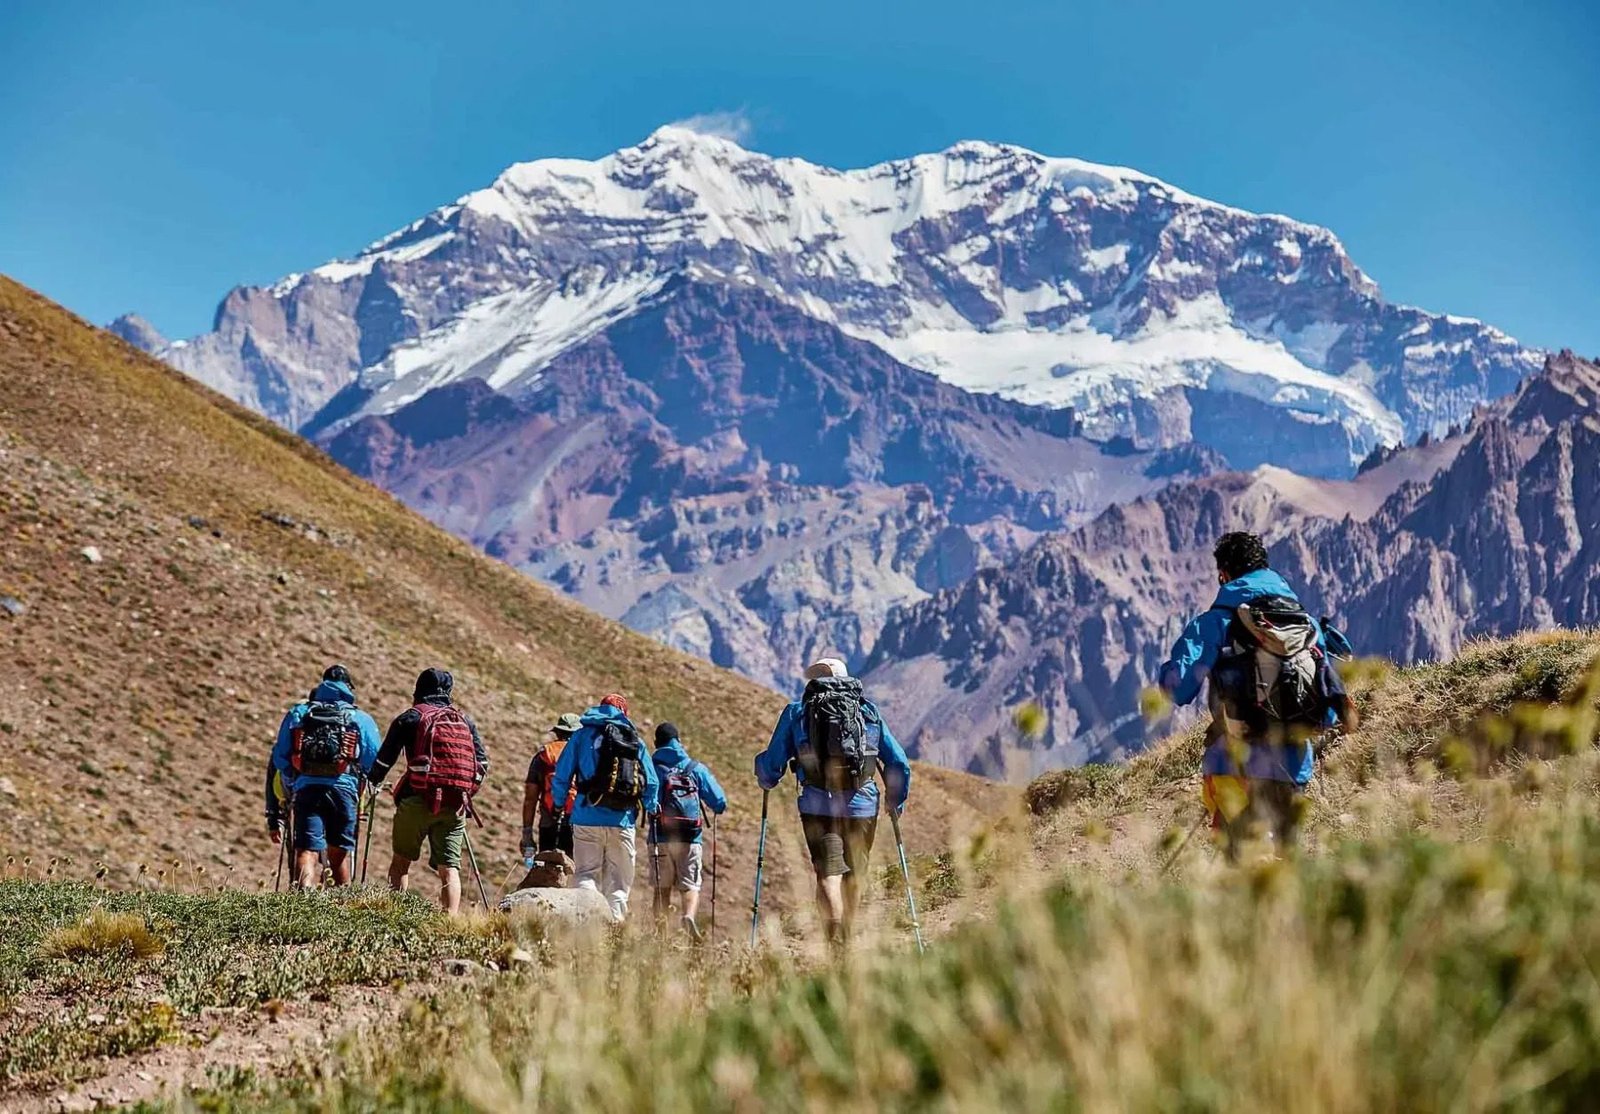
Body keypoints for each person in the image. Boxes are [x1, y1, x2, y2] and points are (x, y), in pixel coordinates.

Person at [1158, 531, 1356, 855]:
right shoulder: (1305, 624)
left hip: (1233, 765)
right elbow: (1329, 707)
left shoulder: (1215, 623)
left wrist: (1167, 671)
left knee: (1241, 868)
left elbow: (1178, 689)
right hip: (1294, 768)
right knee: (1287, 867)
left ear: (1224, 574)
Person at [754, 658, 911, 947]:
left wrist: (764, 774)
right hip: (862, 805)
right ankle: (848, 936)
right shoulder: (868, 712)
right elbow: (898, 762)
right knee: (855, 873)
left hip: (817, 806)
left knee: (828, 873)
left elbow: (772, 762)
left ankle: (834, 943)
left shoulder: (797, 713)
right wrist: (895, 801)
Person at [368, 668, 488, 914]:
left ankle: (395, 914)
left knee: (401, 863)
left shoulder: (410, 718)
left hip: (416, 798)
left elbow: (384, 760)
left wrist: (372, 783)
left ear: (418, 689)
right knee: (449, 868)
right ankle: (450, 921)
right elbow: (483, 764)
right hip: (455, 805)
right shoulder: (464, 720)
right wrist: (465, 792)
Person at [269, 665, 380, 888]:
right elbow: (372, 761)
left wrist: (295, 777)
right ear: (348, 688)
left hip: (307, 787)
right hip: (344, 790)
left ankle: (304, 904)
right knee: (337, 854)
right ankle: (341, 911)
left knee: (306, 850)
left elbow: (280, 757)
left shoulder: (299, 713)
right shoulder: (361, 718)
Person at [551, 693, 659, 922]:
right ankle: (614, 930)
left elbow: (562, 775)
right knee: (619, 883)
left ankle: (587, 924)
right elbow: (652, 781)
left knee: (586, 874)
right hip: (622, 820)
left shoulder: (581, 736)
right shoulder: (634, 739)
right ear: (624, 713)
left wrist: (559, 804)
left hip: (585, 816)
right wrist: (650, 805)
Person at [648, 722, 727, 940]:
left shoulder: (652, 767)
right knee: (690, 885)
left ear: (657, 743)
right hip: (691, 838)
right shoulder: (695, 768)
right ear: (679, 742)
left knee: (661, 888)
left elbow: (646, 797)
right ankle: (688, 917)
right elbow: (720, 801)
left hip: (660, 836)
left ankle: (659, 934)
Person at [522, 713, 581, 860]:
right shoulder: (583, 755)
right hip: (578, 822)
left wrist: (527, 834)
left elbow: (530, 797)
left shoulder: (543, 756)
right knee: (576, 872)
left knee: (547, 868)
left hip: (548, 820)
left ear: (557, 732)